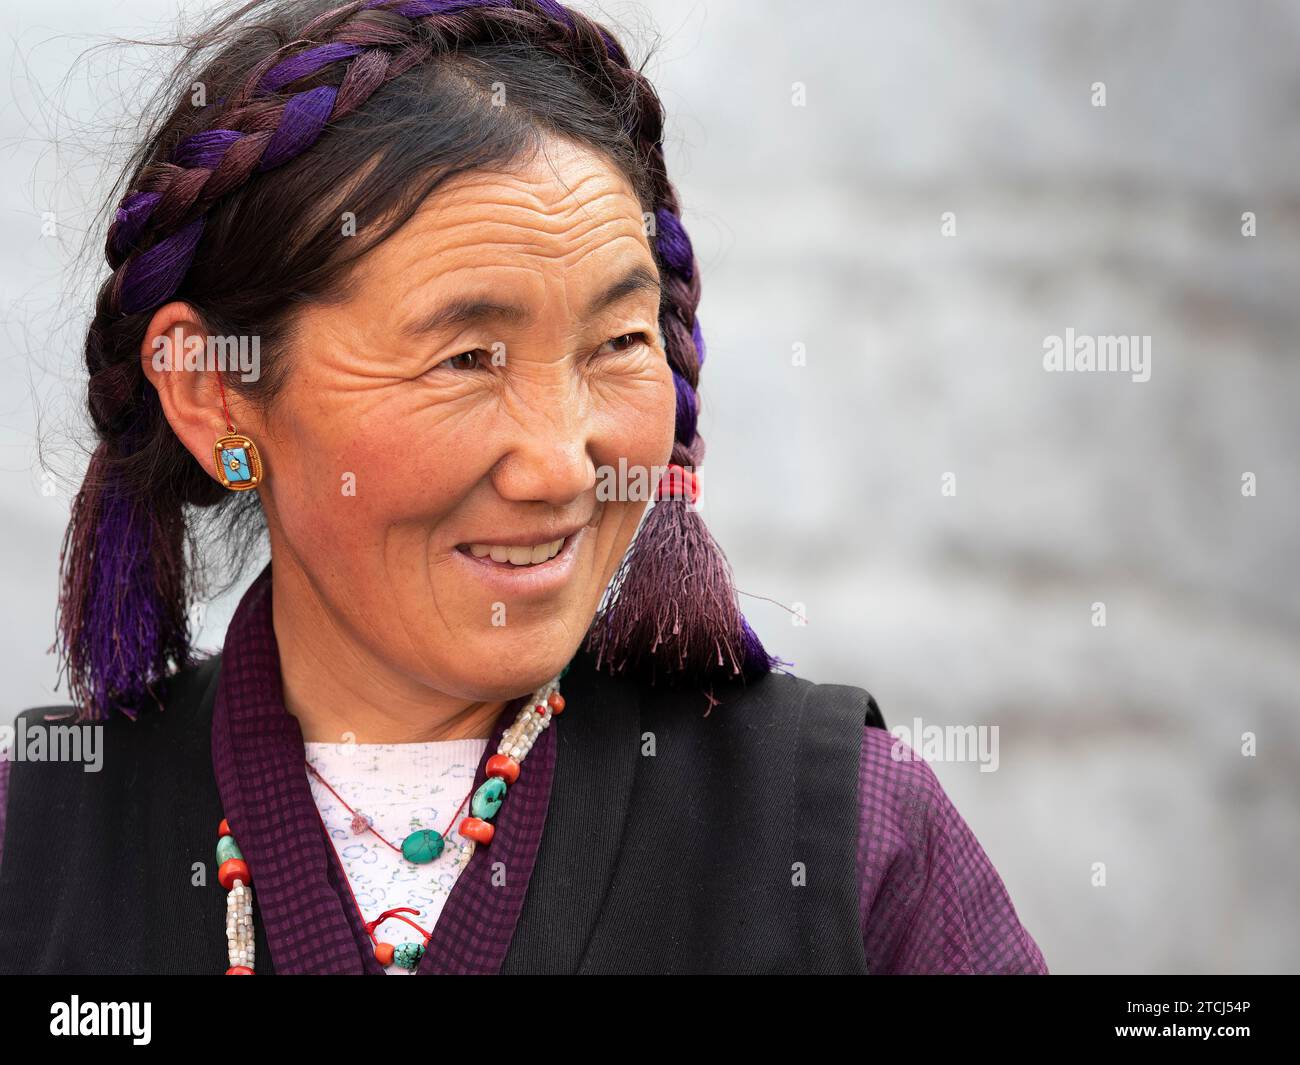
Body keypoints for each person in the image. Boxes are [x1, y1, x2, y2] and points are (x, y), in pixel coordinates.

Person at [0, 0, 1047, 975]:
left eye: (617, 342)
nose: (559, 467)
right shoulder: (36, 854)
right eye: (465, 359)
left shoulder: (834, 830)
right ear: (217, 395)